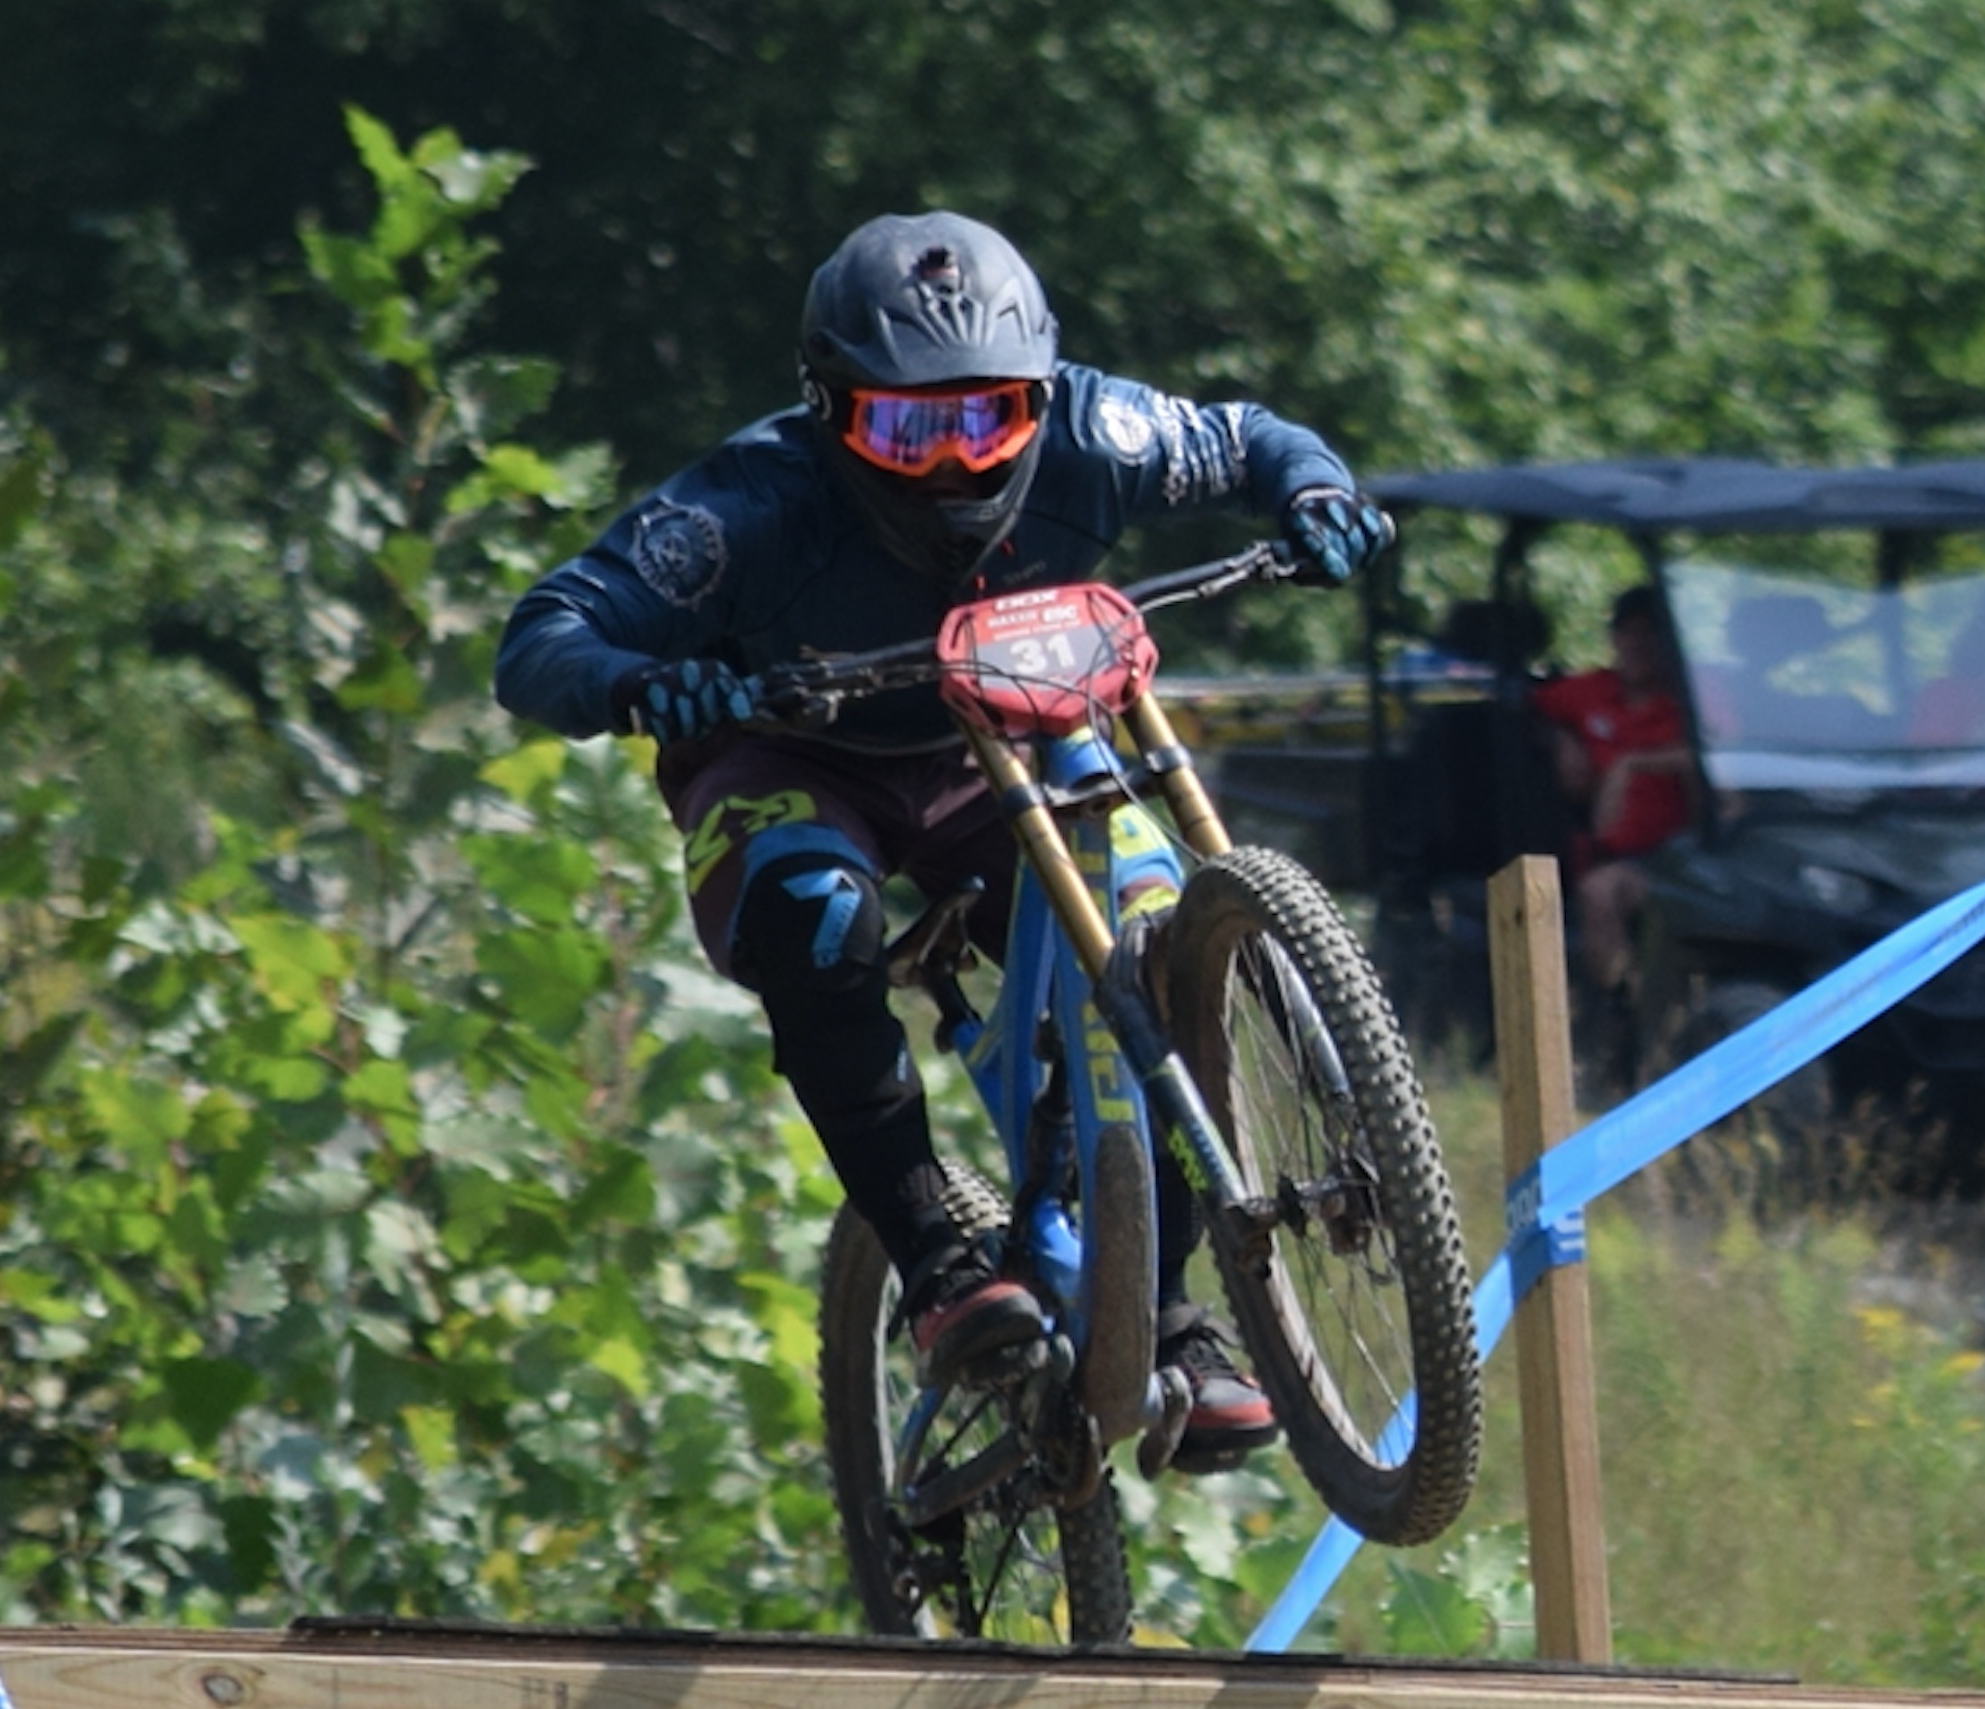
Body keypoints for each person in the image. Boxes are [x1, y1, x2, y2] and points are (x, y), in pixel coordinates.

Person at [492, 211, 1395, 1472]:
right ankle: (935, 1263)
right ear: (827, 409)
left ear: (1042, 396)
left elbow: (1253, 441)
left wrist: (1317, 493)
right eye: (907, 429)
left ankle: (1174, 1311)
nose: (955, 464)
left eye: (991, 421)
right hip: (799, 756)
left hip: (1015, 745)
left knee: (1157, 917)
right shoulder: (746, 505)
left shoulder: (1098, 430)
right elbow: (543, 637)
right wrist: (640, 682)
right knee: (816, 921)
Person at [1532, 585, 1695, 1011]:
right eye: (1629, 632)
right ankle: (1622, 1007)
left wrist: (1636, 764)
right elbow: (1528, 708)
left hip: (1687, 852)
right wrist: (1563, 740)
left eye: (1651, 634)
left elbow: (1719, 754)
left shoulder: (1691, 698)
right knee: (1598, 892)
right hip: (1618, 855)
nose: (1639, 644)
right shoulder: (1590, 692)